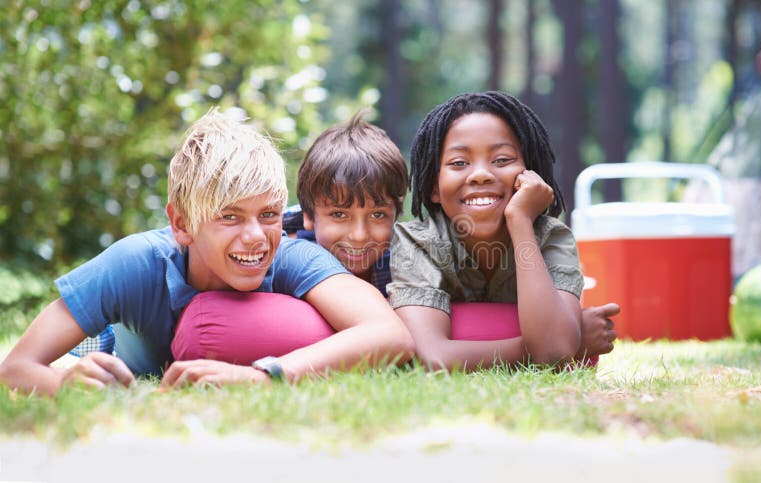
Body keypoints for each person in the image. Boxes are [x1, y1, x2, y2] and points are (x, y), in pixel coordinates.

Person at [0, 108, 414, 396]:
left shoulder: (290, 255)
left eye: (268, 214)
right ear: (182, 224)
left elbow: (389, 333)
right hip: (106, 348)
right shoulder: (137, 262)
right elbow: (16, 367)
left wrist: (265, 377)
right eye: (230, 217)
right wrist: (66, 386)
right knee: (83, 358)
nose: (256, 236)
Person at [173, 111, 617, 367]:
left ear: (398, 211)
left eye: (378, 215)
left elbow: (422, 344)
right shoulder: (282, 249)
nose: (360, 235)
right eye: (340, 215)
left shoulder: (402, 251)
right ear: (308, 216)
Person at [387, 91, 617, 371]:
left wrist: (520, 221)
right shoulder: (418, 241)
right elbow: (433, 357)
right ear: (434, 187)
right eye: (459, 163)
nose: (481, 174)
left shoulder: (551, 237)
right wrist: (573, 341)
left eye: (502, 160)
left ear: (530, 175)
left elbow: (554, 349)